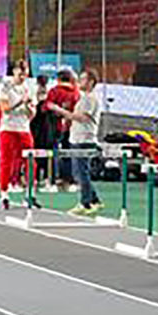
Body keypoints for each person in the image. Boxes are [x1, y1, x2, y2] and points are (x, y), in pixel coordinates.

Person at [51, 69, 103, 215]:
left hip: (84, 139)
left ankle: (85, 203)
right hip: (77, 138)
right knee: (79, 172)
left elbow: (82, 118)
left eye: (83, 79)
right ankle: (94, 200)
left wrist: (60, 110)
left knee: (80, 173)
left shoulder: (90, 99)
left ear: (91, 82)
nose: (80, 81)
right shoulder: (83, 97)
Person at [0, 60, 36, 210]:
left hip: (24, 129)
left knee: (30, 161)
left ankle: (29, 194)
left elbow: (32, 115)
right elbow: (5, 108)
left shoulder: (28, 87)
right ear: (14, 71)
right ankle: (4, 195)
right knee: (6, 161)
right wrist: (21, 102)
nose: (22, 77)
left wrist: (28, 107)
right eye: (20, 74)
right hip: (8, 127)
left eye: (25, 75)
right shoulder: (5, 85)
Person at [42, 69, 79, 192]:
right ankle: (70, 181)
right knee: (68, 153)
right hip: (72, 127)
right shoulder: (75, 93)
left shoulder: (54, 91)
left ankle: (52, 181)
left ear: (58, 79)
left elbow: (45, 107)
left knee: (53, 153)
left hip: (55, 126)